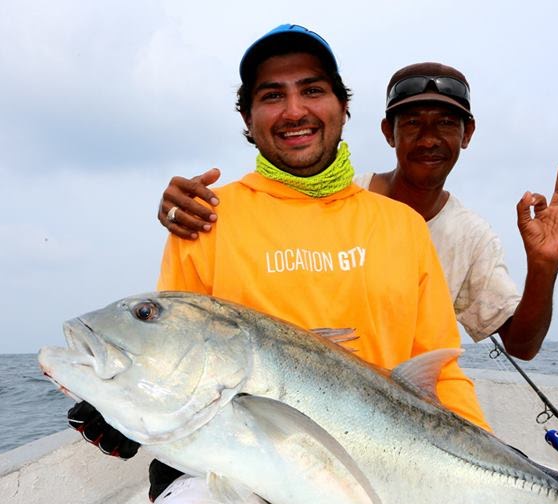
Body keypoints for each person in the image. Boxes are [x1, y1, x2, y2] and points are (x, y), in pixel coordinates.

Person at [70, 24, 496, 503]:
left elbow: (441, 371)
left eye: (312, 90)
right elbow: (175, 354)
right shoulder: (205, 217)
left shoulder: (402, 225)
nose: (295, 111)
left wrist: (486, 456)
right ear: (248, 120)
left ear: (343, 107)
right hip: (232, 470)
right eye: (272, 95)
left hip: (379, 467)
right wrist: (127, 405)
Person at [158, 63, 558, 362]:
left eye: (445, 124)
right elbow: (262, 217)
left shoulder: (470, 236)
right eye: (412, 123)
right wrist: (185, 206)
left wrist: (544, 265)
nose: (429, 138)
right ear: (388, 132)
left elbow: (521, 344)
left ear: (467, 134)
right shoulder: (337, 196)